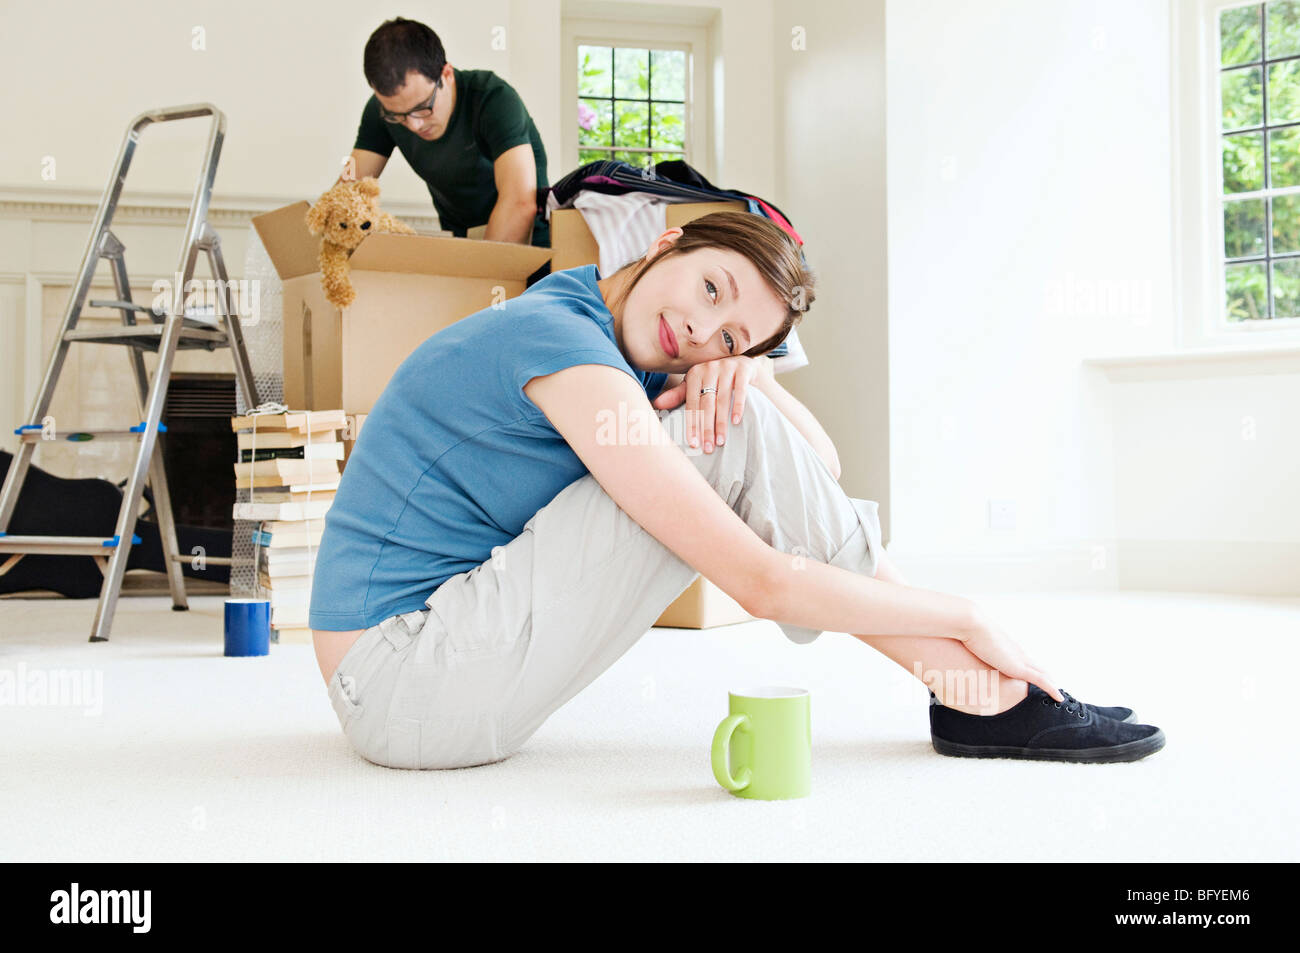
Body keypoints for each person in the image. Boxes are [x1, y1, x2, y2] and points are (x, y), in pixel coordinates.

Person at [308, 210, 1165, 770]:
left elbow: (816, 467)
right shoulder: (560, 344)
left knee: (734, 423)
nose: (697, 330)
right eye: (710, 288)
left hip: (422, 668)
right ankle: (972, 683)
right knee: (726, 434)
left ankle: (970, 693)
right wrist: (965, 617)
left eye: (730, 335)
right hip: (402, 683)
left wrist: (748, 376)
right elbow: (759, 577)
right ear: (663, 243)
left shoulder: (606, 327)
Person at [339, 17, 549, 247]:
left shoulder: (494, 98)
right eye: (396, 115)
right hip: (460, 245)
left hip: (529, 246)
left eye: (422, 108)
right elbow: (348, 189)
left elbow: (519, 203)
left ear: (446, 75)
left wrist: (481, 278)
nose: (413, 125)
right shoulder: (381, 111)